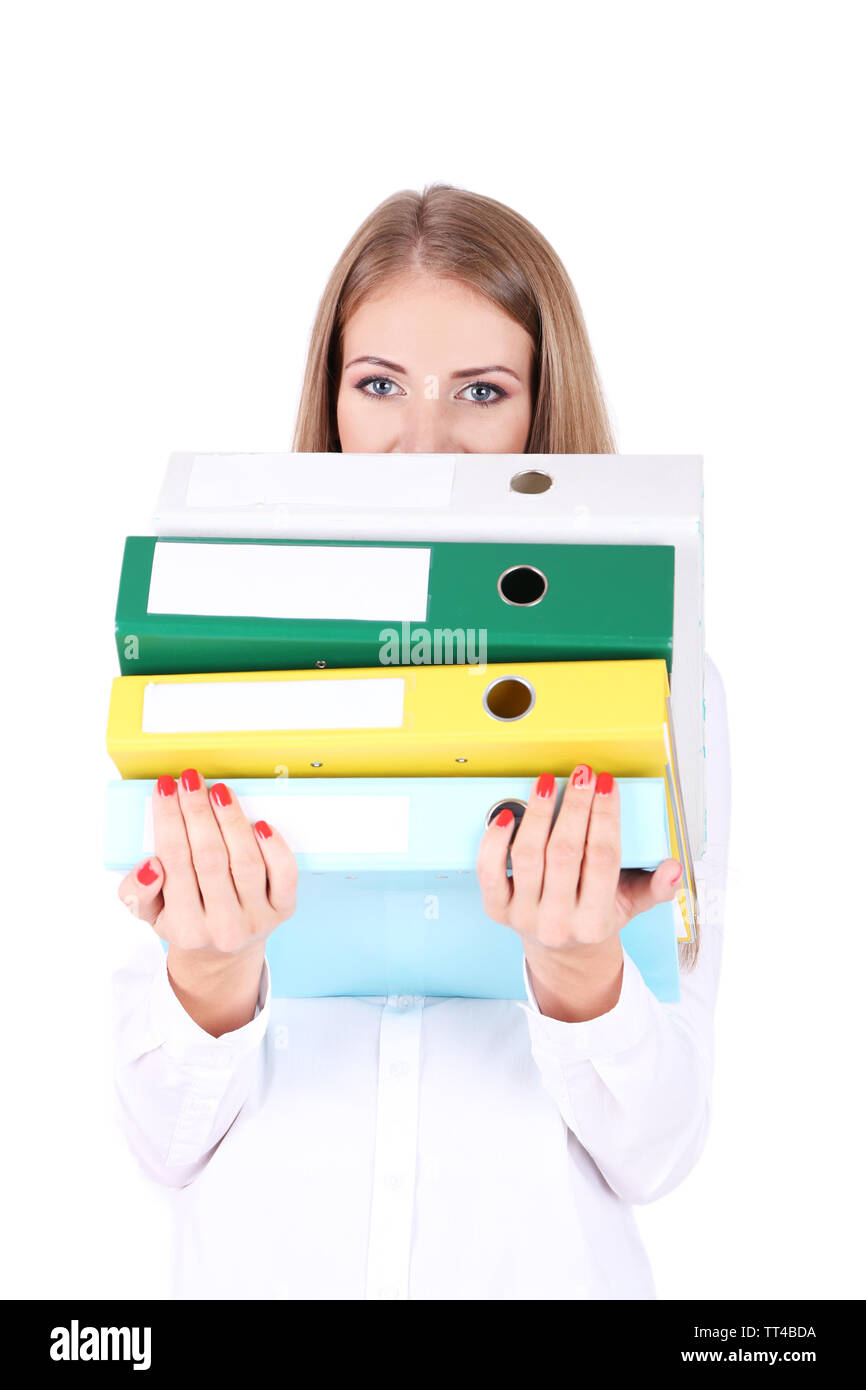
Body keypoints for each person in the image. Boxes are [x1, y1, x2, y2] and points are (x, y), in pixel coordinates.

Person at [112, 184, 731, 1299]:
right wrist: (206, 976)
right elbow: (161, 1149)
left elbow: (658, 1152)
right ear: (331, 402)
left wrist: (582, 973)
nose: (422, 441)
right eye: (380, 385)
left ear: (543, 414)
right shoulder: (203, 666)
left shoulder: (660, 684)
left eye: (481, 392)